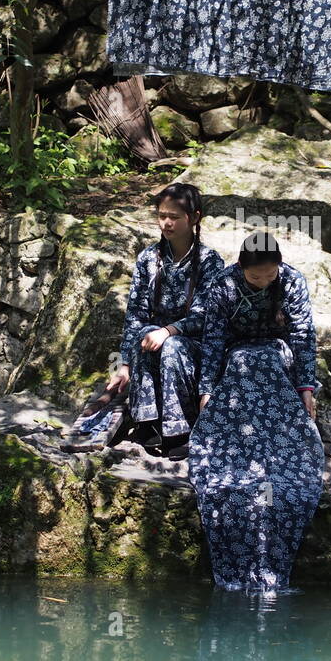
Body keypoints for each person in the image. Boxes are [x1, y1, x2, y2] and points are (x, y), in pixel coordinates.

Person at [187, 232, 325, 592]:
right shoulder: (223, 285)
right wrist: (206, 390)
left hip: (278, 353)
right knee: (245, 363)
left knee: (264, 361)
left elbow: (303, 334)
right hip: (237, 353)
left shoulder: (293, 282)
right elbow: (214, 338)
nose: (264, 282)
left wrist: (306, 387)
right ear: (241, 268)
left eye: (269, 275)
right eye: (255, 277)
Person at [106, 182, 225, 459]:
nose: (167, 223)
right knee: (144, 333)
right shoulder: (149, 258)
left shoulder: (210, 262)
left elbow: (205, 317)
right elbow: (135, 313)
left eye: (174, 216)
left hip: (192, 348)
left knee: (170, 346)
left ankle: (179, 431)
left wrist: (169, 331)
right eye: (162, 215)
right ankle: (147, 423)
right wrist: (124, 364)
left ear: (194, 218)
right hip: (155, 339)